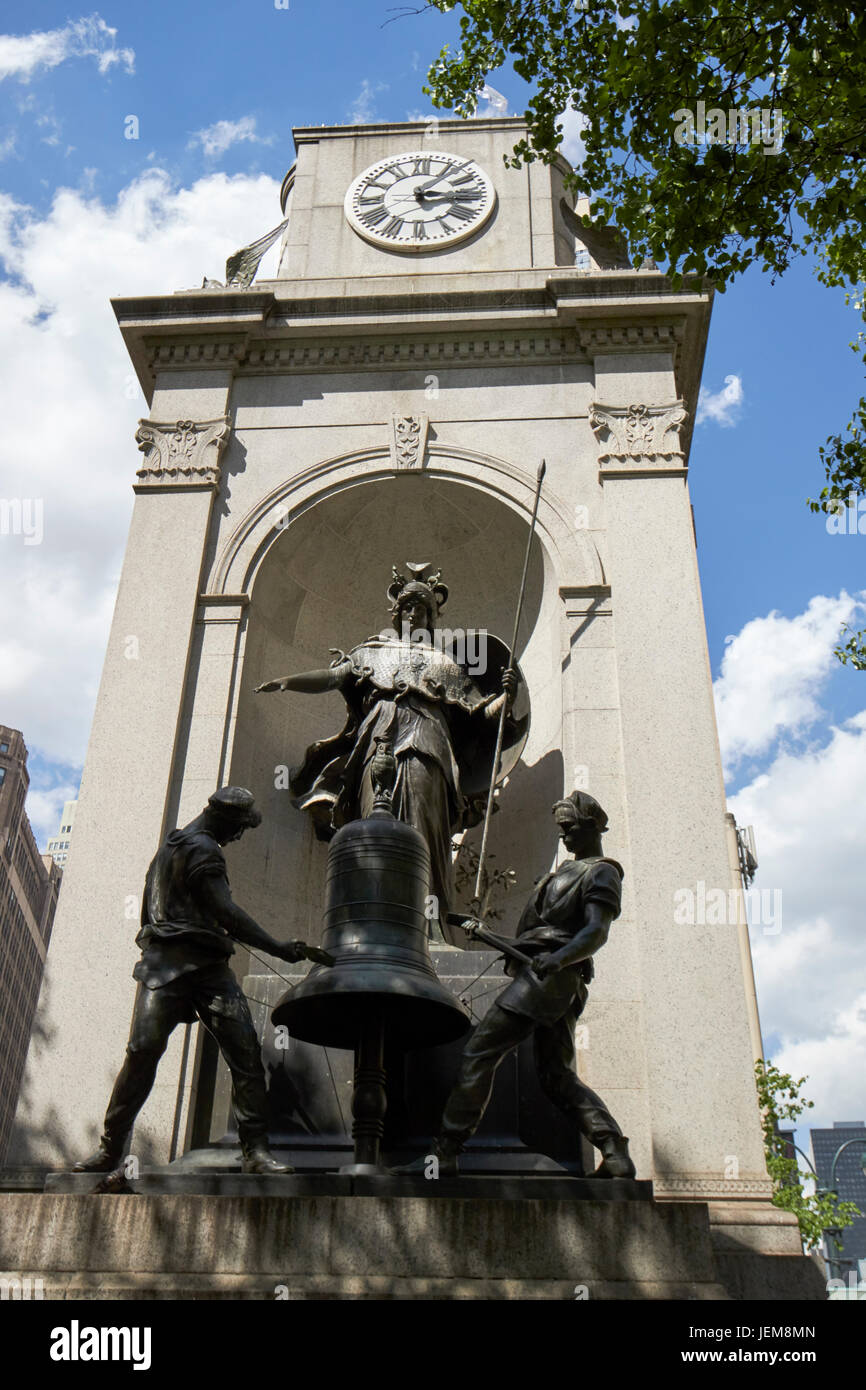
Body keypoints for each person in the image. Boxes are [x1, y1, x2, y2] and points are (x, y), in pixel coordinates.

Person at [255, 562, 521, 941]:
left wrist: (506, 697)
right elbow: (333, 677)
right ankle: (370, 924)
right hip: (376, 744)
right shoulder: (371, 652)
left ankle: (426, 928)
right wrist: (288, 681)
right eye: (407, 608)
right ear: (397, 615)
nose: (413, 614)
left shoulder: (444, 664)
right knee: (371, 827)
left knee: (423, 829)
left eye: (422, 609)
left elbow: (482, 717)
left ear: (431, 618)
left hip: (427, 749)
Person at [74, 787, 315, 1176]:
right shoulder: (203, 850)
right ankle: (110, 1149)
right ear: (221, 818)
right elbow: (227, 912)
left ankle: (255, 1149)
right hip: (173, 964)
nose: (238, 838)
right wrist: (277, 947)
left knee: (240, 1050)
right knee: (146, 1050)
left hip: (198, 966)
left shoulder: (174, 842)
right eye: (238, 829)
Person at [398, 789, 637, 1178]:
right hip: (547, 975)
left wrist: (558, 959)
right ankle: (614, 1151)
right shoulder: (558, 875)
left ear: (593, 826)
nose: (563, 837)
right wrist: (488, 934)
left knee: (479, 1052)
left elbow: (595, 932)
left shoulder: (602, 872)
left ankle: (444, 1153)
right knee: (556, 1077)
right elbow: (541, 937)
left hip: (550, 979)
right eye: (560, 830)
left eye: (570, 828)